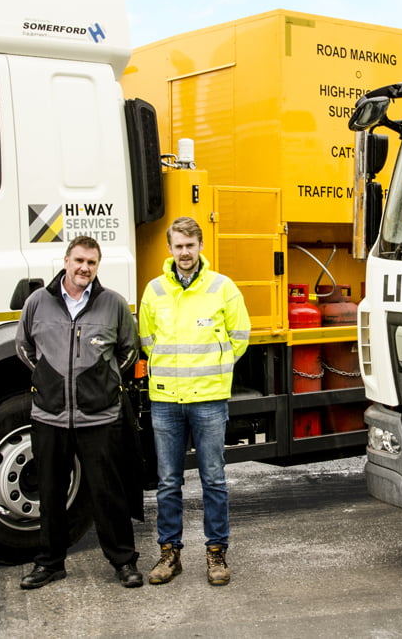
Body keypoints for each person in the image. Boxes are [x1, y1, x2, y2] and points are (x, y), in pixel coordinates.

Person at [15, 235, 144, 590]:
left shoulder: (113, 304)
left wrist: (100, 382)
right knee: (51, 493)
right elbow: (24, 347)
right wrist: (48, 379)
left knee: (108, 493)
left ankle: (123, 562)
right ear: (66, 261)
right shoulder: (37, 303)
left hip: (100, 416)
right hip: (49, 415)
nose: (84, 268)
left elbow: (128, 350)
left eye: (91, 262)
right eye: (79, 261)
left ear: (97, 266)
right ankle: (50, 563)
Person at [138, 216, 250, 586]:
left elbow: (239, 336)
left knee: (213, 479)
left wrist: (214, 366)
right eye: (178, 246)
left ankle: (216, 554)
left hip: (209, 401)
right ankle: (170, 554)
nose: (184, 252)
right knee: (168, 482)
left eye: (190, 245)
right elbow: (148, 340)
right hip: (166, 401)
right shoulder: (154, 291)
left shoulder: (223, 288)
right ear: (169, 249)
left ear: (201, 246)